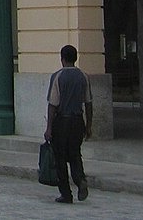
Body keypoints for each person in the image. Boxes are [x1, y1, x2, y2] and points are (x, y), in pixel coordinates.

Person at [46, 44, 93, 204]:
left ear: (62, 58)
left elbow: (53, 104)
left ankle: (66, 193)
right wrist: (88, 126)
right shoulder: (83, 76)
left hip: (62, 120)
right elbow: (88, 103)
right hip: (78, 120)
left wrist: (49, 128)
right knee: (75, 153)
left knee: (60, 157)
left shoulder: (58, 77)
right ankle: (80, 180)